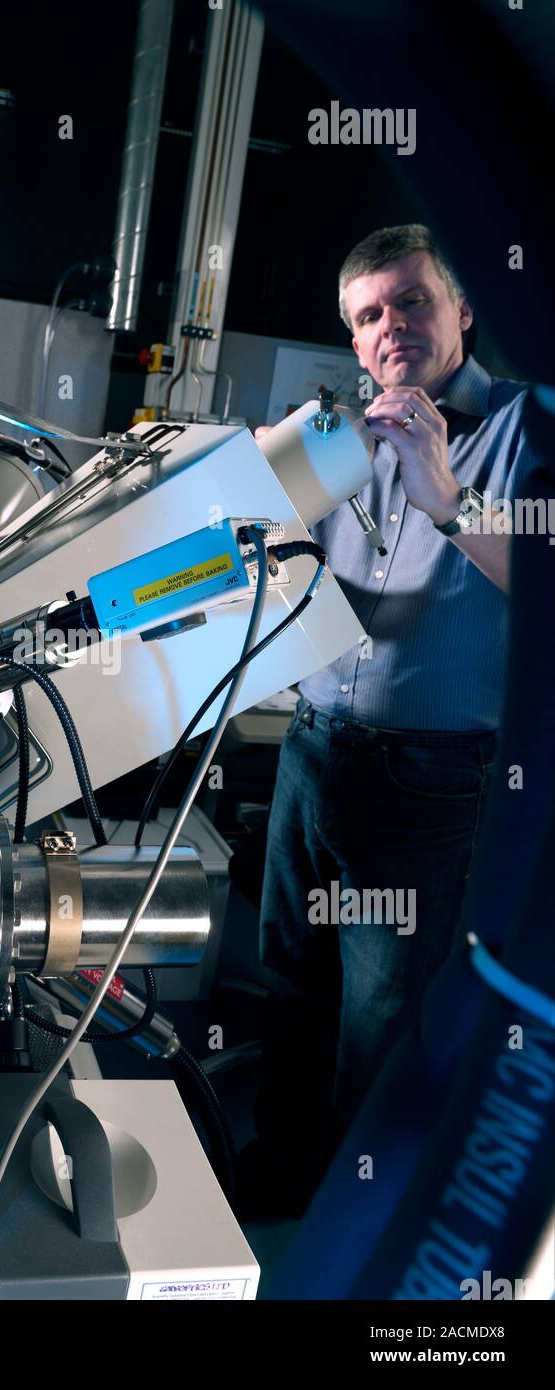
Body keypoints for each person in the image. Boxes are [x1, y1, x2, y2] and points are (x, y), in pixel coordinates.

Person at [238, 223, 538, 1219]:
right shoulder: (338, 433)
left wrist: (449, 502)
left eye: (411, 301)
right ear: (355, 343)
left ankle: (347, 1217)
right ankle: (280, 1175)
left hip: (429, 779)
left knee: (378, 1011)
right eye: (370, 316)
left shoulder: (525, 427)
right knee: (289, 977)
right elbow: (260, 551)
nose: (392, 326)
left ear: (460, 308)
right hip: (315, 753)